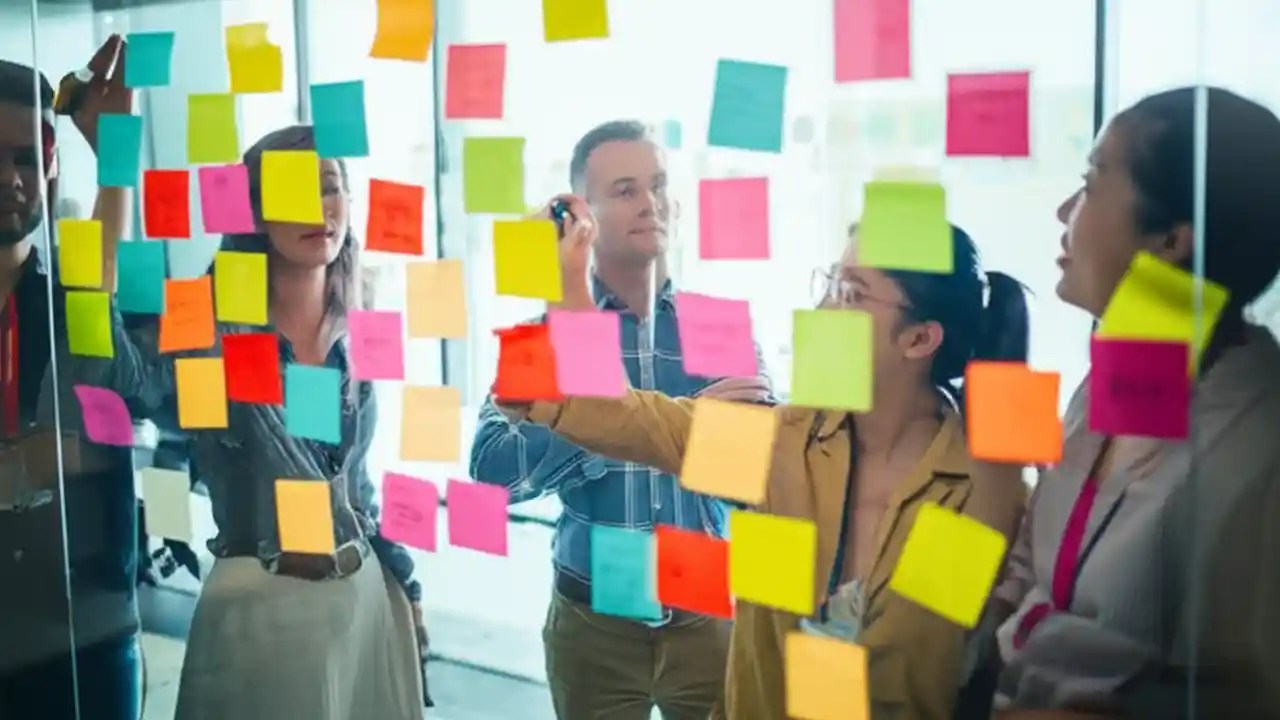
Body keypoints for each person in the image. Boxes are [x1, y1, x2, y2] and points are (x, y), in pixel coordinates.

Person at [497, 213, 1031, 719]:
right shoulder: (789, 443)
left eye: (850, 293)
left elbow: (933, 676)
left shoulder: (978, 494)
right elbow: (634, 419)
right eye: (829, 282)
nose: (822, 310)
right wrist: (564, 298)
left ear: (919, 339)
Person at [84, 125, 428, 719]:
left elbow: (356, 486)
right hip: (261, 610)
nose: (318, 210)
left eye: (329, 188)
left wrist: (406, 585)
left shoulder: (360, 321)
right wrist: (111, 166)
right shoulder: (211, 320)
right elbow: (108, 373)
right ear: (255, 214)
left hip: (365, 603)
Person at [989, 87, 1280, 719]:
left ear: (1172, 238)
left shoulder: (1260, 439)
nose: (1063, 209)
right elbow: (1038, 573)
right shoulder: (1111, 386)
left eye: (1091, 184)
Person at [470, 119, 771, 720]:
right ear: (584, 214)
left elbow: (758, 474)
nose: (649, 203)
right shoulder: (543, 332)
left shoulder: (720, 325)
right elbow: (493, 474)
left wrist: (595, 420)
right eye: (626, 190)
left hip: (709, 620)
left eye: (658, 186)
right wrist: (632, 430)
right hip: (592, 627)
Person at [0, 38, 143, 719]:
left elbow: (100, 273)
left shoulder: (58, 299)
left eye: (28, 157)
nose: (11, 178)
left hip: (82, 629)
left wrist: (113, 148)